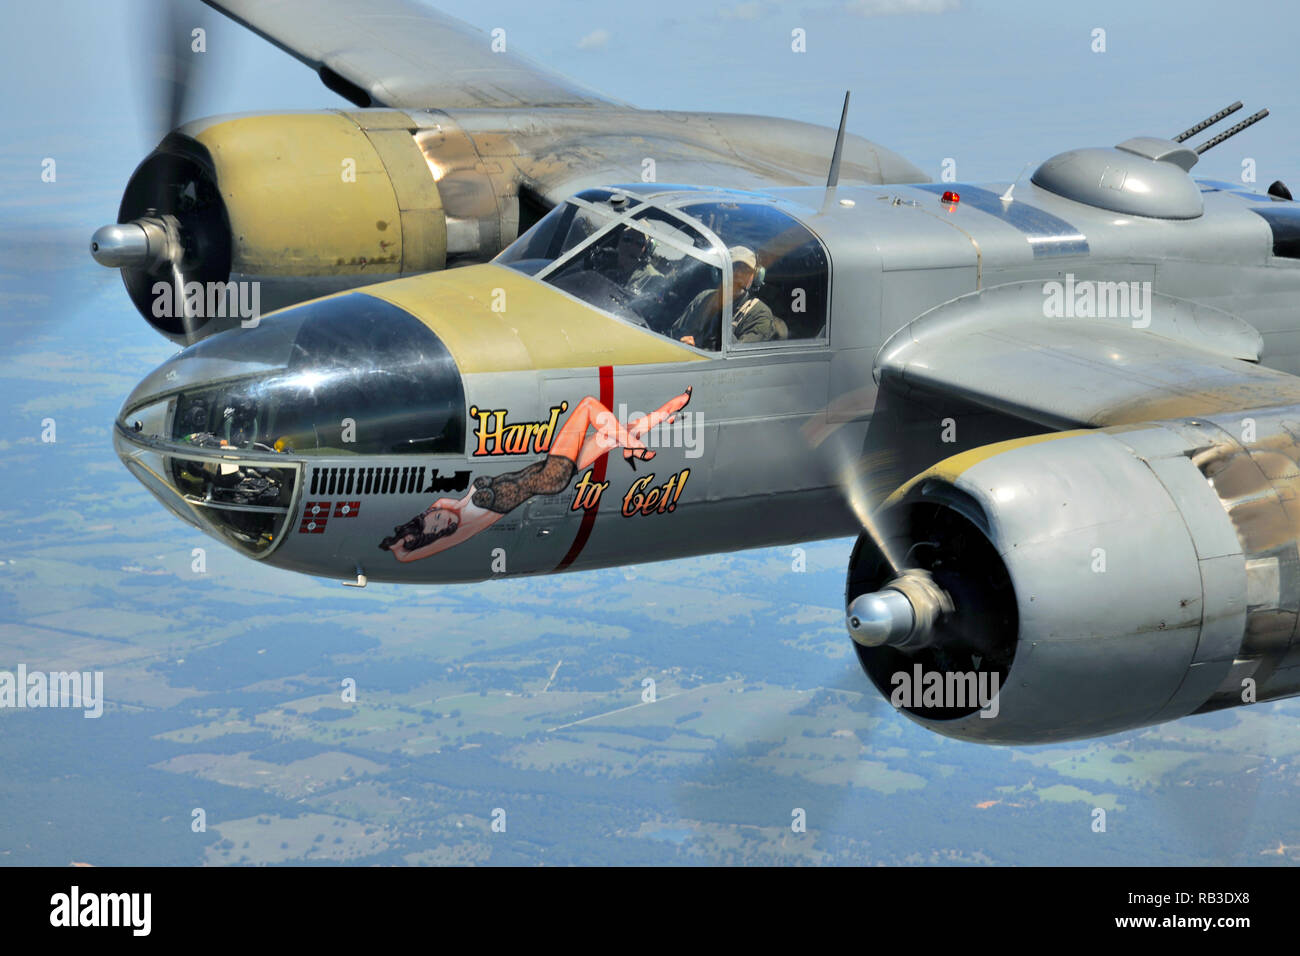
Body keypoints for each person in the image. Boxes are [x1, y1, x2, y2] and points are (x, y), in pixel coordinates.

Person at [380, 387, 693, 562]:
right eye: (439, 526)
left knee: (607, 437)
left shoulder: (457, 506)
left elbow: (438, 504)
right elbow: (408, 556)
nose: (440, 518)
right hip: (550, 475)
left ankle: (665, 413)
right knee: (586, 407)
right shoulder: (466, 526)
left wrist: (404, 532)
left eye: (434, 518)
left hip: (550, 474)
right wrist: (401, 546)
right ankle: (634, 447)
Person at [670, 246, 779, 350]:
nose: (738, 274)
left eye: (746, 270)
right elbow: (676, 332)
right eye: (734, 267)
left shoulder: (760, 314)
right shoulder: (704, 298)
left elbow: (739, 358)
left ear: (755, 277)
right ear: (719, 271)